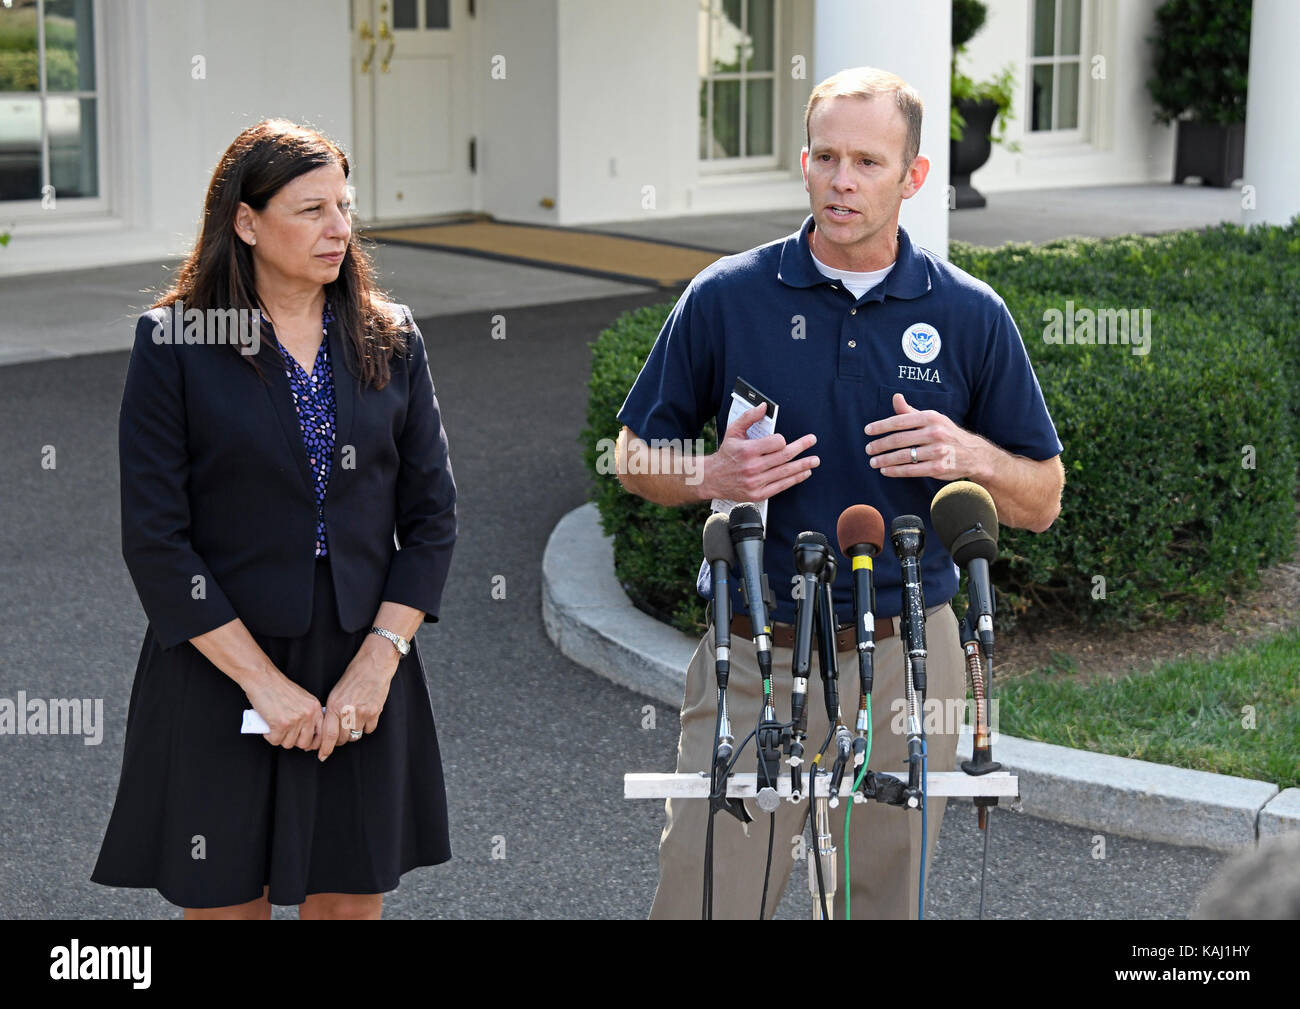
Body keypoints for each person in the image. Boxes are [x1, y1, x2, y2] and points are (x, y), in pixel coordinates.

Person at [616, 67, 1064, 919]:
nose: (842, 180)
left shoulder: (970, 314)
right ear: (804, 162)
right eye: (827, 157)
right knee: (707, 897)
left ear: (914, 176)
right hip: (750, 647)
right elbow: (633, 453)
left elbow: (1041, 497)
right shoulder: (727, 296)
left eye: (867, 160)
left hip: (909, 653)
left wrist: (968, 452)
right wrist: (710, 474)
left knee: (880, 904)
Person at [91, 120, 458, 920]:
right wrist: (263, 683)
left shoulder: (390, 336)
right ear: (247, 222)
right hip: (221, 661)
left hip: (359, 659)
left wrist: (379, 661)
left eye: (345, 208)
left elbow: (432, 517)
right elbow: (156, 538)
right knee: (227, 903)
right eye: (310, 209)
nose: (338, 229)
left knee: (346, 905)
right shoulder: (176, 341)